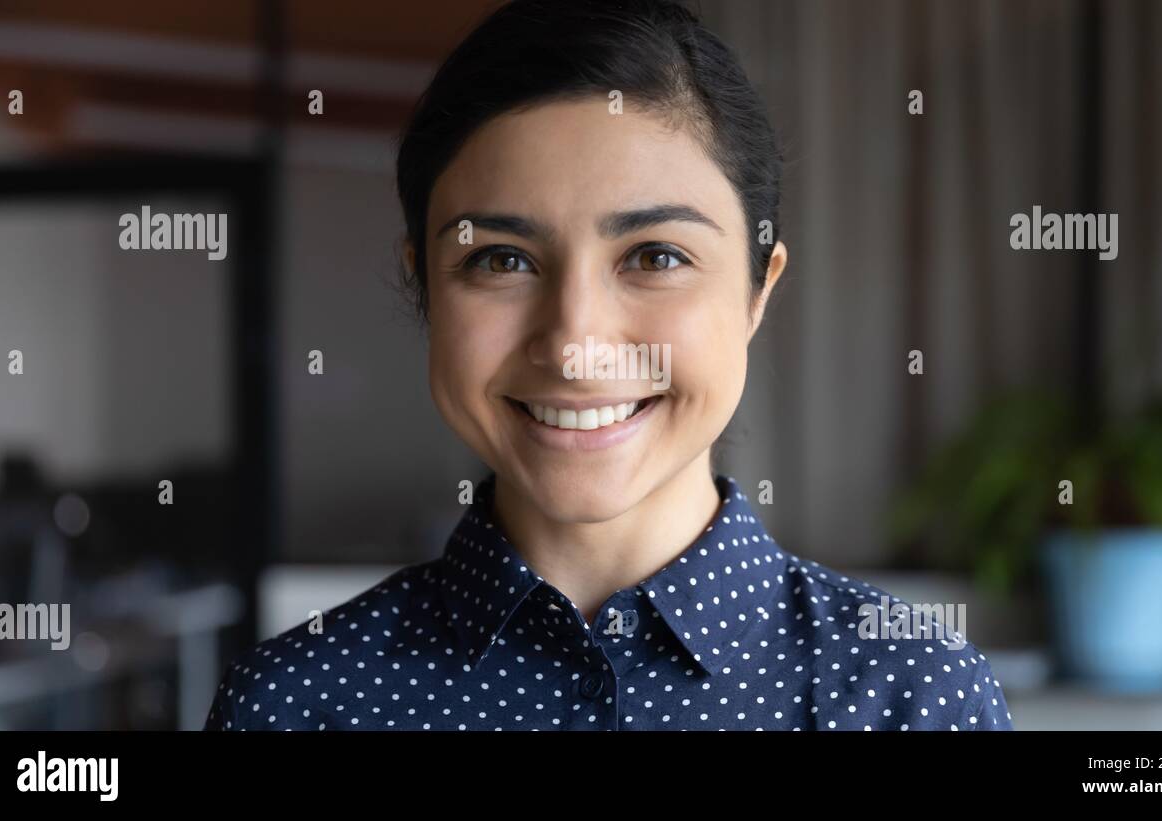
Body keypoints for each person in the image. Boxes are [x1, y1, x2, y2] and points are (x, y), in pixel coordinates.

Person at [205, 0, 1013, 731]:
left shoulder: (916, 699)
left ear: (758, 289)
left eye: (655, 255)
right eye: (501, 260)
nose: (574, 343)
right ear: (426, 285)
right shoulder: (294, 704)